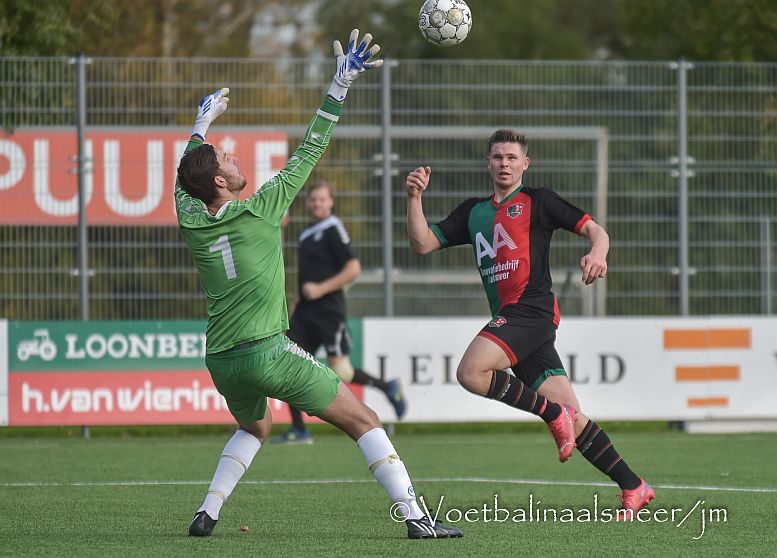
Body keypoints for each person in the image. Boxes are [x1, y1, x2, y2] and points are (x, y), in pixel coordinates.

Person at [176, 30, 461, 539]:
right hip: (267, 351)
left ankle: (207, 513)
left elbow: (184, 182)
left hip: (221, 359)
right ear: (219, 182)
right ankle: (418, 519)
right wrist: (339, 85)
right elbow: (312, 145)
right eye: (225, 159)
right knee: (365, 419)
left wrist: (201, 127)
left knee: (255, 426)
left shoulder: (192, 220)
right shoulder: (263, 208)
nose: (233, 157)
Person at [404, 129, 655, 520]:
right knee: (574, 413)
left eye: (512, 157)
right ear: (488, 163)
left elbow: (595, 231)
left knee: (471, 372)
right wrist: (414, 198)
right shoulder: (473, 213)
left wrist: (598, 252)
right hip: (516, 319)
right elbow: (422, 243)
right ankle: (634, 486)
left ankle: (549, 414)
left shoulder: (539, 201)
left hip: (532, 310)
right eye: (498, 157)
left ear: (525, 163)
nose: (504, 163)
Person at [274, 181, 407, 444]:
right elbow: (306, 281)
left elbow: (353, 269)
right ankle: (299, 430)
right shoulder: (306, 233)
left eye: (322, 200)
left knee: (343, 372)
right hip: (304, 314)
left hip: (328, 314)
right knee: (287, 367)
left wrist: (321, 289)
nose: (317, 204)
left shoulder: (333, 229)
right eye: (313, 200)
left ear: (331, 202)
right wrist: (293, 308)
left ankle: (388, 387)